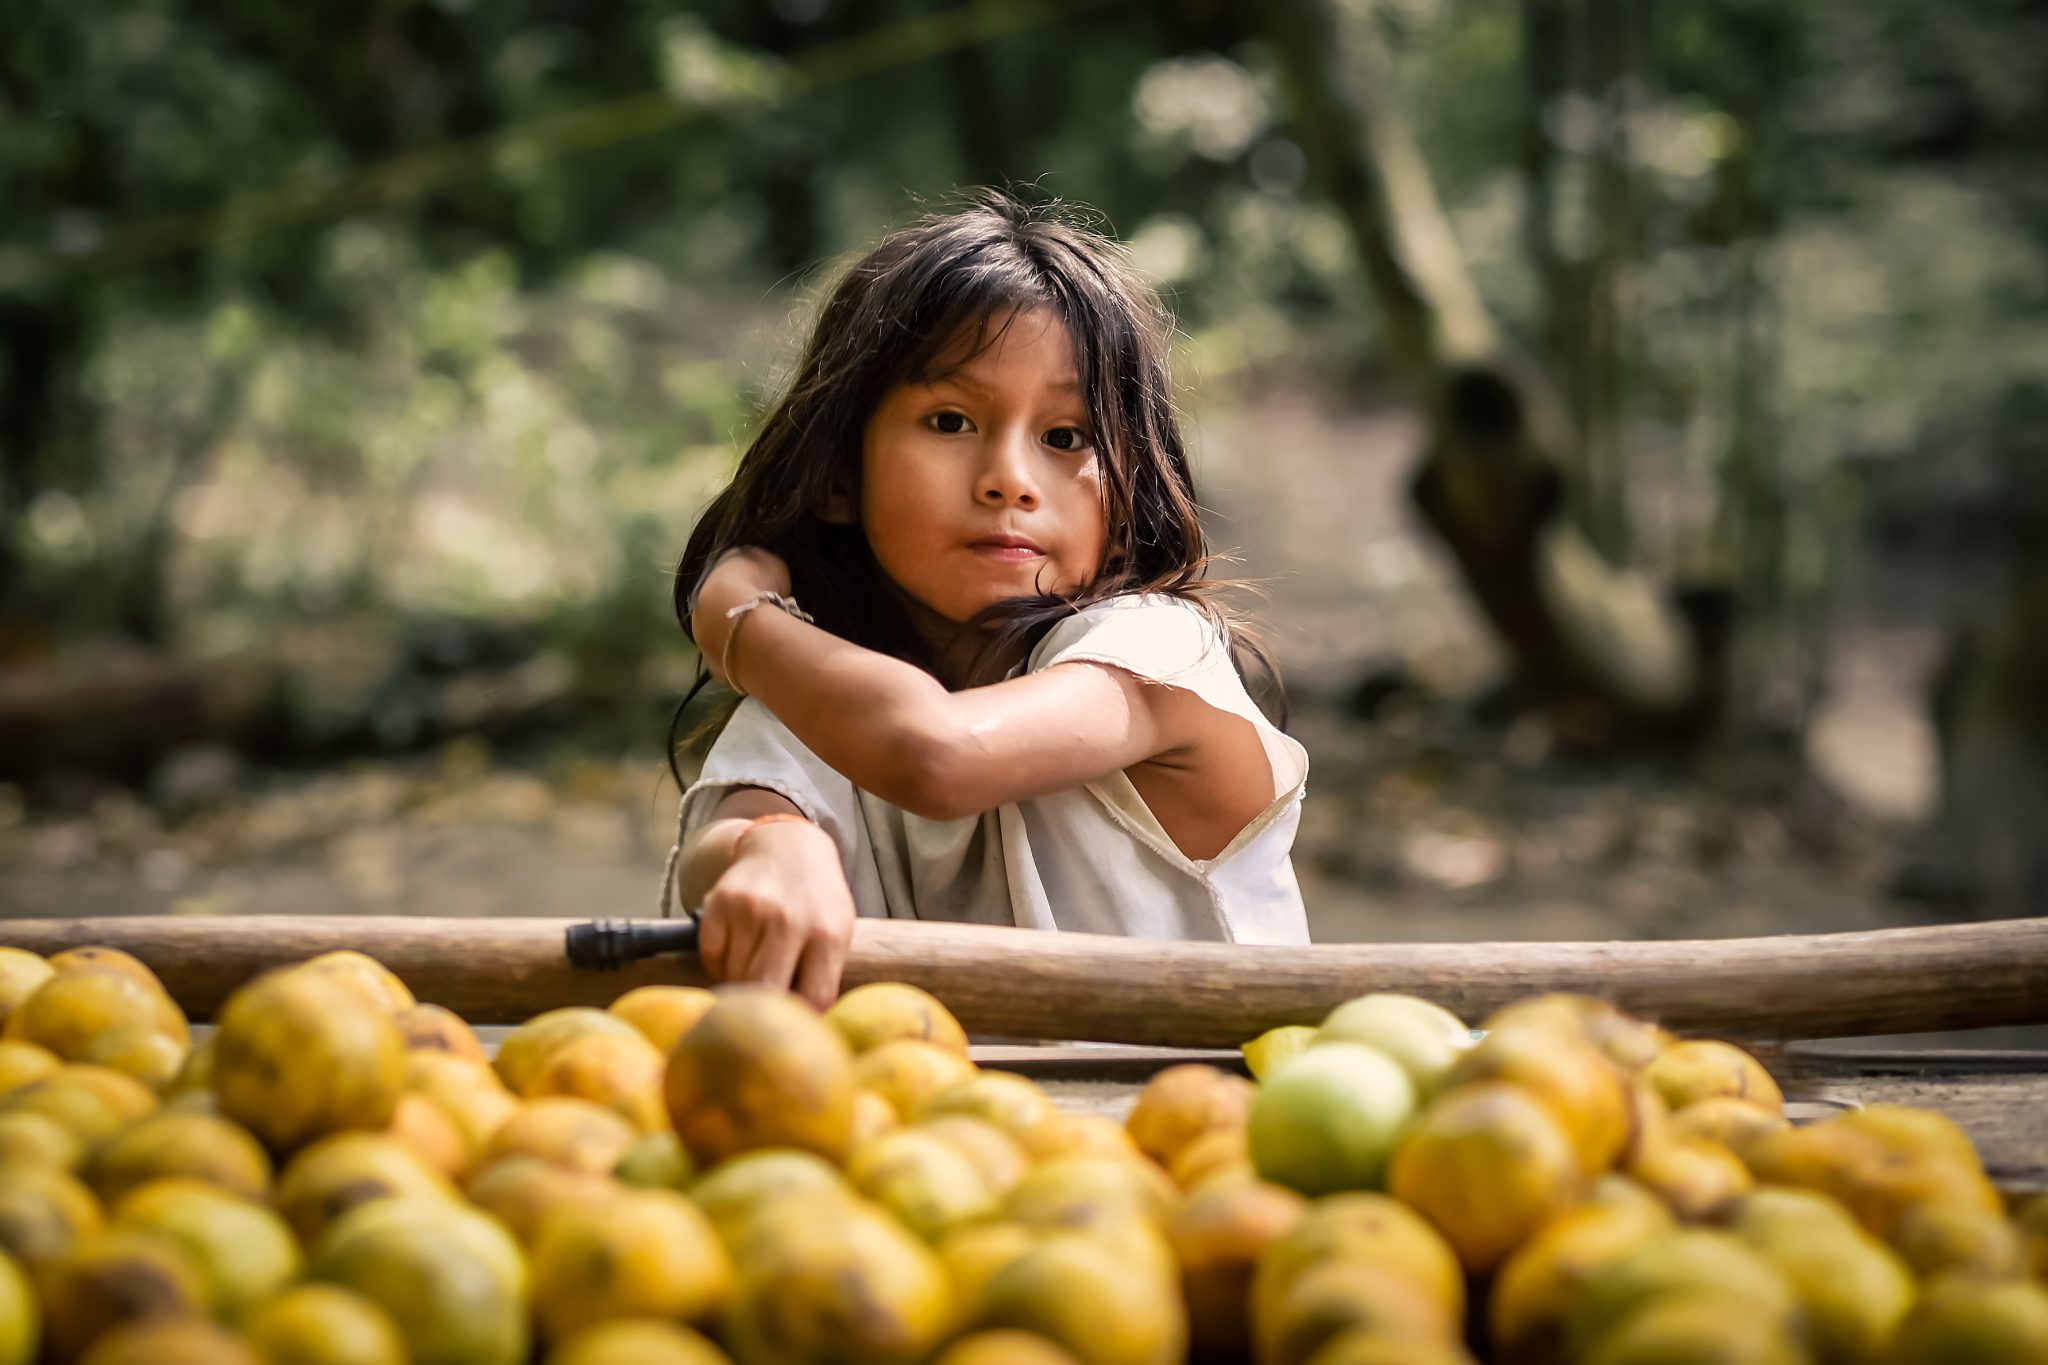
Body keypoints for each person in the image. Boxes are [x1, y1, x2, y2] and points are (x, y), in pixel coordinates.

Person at [664, 193, 1309, 1008]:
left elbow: (934, 755)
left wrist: (733, 615)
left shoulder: (1154, 654)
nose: (1009, 477)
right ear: (837, 478)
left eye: (1066, 438)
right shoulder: (824, 704)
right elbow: (728, 837)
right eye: (949, 418)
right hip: (944, 1128)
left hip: (1203, 1120)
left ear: (1125, 512)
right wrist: (773, 843)